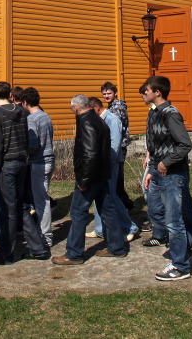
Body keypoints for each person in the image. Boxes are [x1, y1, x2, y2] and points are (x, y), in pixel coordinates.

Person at [53, 94, 128, 265]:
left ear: (76, 108)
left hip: (91, 177)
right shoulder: (98, 119)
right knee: (108, 211)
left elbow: (90, 153)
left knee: (78, 213)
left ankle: (74, 253)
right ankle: (117, 247)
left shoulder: (86, 122)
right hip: (102, 174)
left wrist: (83, 181)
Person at [141, 76, 192, 281]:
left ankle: (181, 266)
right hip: (158, 172)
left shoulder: (171, 114)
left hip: (173, 174)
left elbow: (184, 144)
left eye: (146, 90)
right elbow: (155, 146)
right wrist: (152, 170)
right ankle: (189, 241)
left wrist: (166, 162)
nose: (143, 93)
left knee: (174, 221)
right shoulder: (154, 114)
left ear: (158, 92)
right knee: (155, 211)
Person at [0, 81, 48, 264]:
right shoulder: (21, 111)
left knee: (8, 210)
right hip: (22, 161)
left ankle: (5, 253)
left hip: (7, 164)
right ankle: (37, 247)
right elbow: (25, 135)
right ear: (11, 95)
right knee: (20, 206)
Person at [91, 97, 140, 242]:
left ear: (96, 108)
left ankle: (130, 227)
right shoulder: (101, 118)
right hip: (102, 163)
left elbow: (115, 144)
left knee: (111, 195)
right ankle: (100, 229)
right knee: (99, 196)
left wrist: (108, 163)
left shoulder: (112, 119)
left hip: (111, 163)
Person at [22, 87, 55, 248]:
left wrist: (25, 153)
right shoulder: (45, 116)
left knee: (41, 201)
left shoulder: (32, 119)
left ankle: (45, 236)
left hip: (39, 162)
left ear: (25, 102)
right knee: (43, 198)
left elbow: (34, 144)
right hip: (49, 159)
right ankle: (44, 233)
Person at [102, 81, 134, 211]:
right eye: (104, 94)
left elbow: (115, 129)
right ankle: (126, 203)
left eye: (109, 93)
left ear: (115, 93)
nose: (106, 96)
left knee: (117, 177)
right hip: (116, 145)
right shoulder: (111, 107)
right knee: (117, 177)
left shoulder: (117, 108)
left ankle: (124, 204)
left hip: (119, 146)